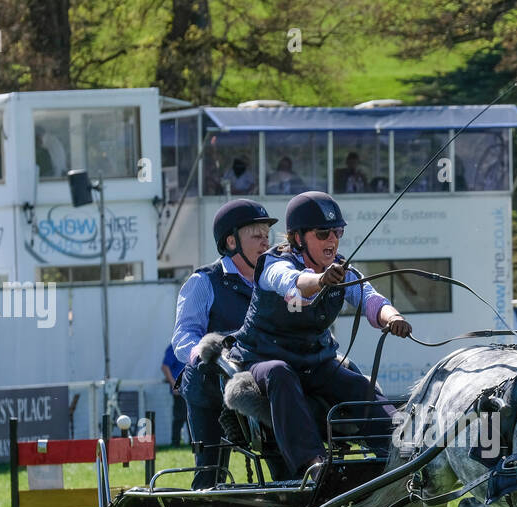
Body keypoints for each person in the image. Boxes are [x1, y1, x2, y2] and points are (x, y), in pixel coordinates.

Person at [229, 190, 411, 479]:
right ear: (298, 238)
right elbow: (292, 283)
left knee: (357, 386)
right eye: (323, 233)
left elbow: (369, 297)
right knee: (280, 373)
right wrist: (320, 279)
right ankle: (312, 464)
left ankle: (404, 451)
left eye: (337, 232)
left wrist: (393, 317)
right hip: (262, 359)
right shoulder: (274, 264)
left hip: (315, 361)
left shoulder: (341, 271)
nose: (333, 240)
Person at [172, 199, 278, 488]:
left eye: (266, 237)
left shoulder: (271, 280)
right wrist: (201, 353)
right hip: (208, 391)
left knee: (281, 461)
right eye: (256, 236)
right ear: (231, 242)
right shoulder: (203, 281)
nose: (264, 243)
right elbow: (183, 336)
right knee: (211, 474)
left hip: (254, 387)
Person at [161, 345, 187, 445]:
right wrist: (174, 384)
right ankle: (175, 442)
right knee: (179, 417)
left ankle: (193, 442)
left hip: (190, 389)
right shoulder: (173, 347)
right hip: (179, 389)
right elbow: (165, 367)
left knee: (190, 418)